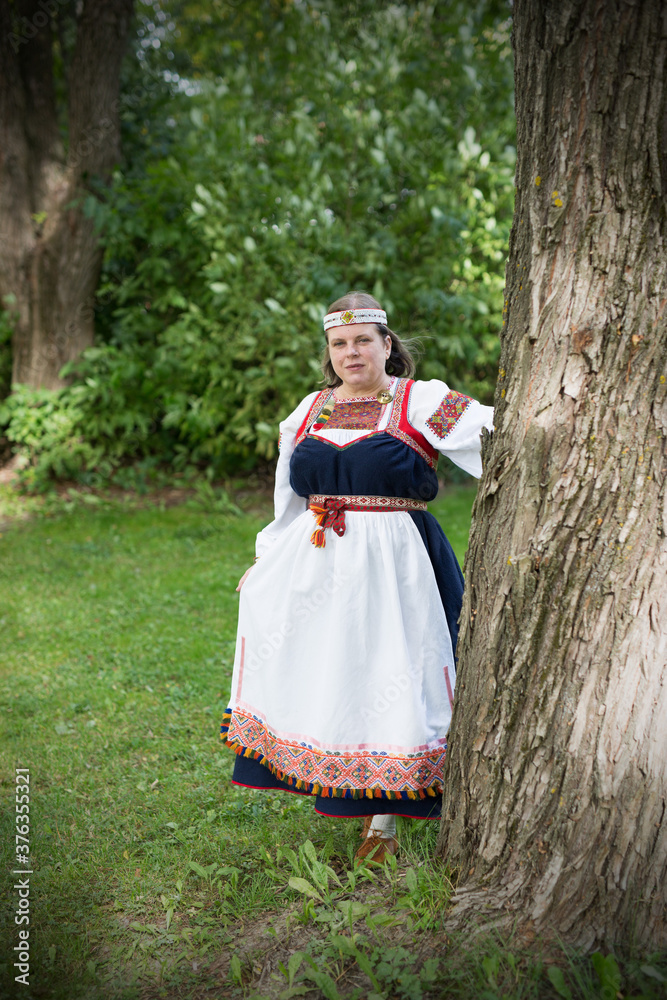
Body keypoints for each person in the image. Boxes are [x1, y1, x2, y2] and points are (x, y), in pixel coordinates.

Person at [221, 291, 494, 862]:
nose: (352, 352)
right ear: (329, 351)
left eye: (363, 341)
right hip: (315, 558)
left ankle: (385, 822)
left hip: (397, 562)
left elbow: (493, 436)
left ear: (386, 345)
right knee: (337, 673)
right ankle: (345, 778)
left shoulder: (419, 401)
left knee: (392, 671)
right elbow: (287, 497)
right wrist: (267, 555)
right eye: (340, 344)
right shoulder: (311, 408)